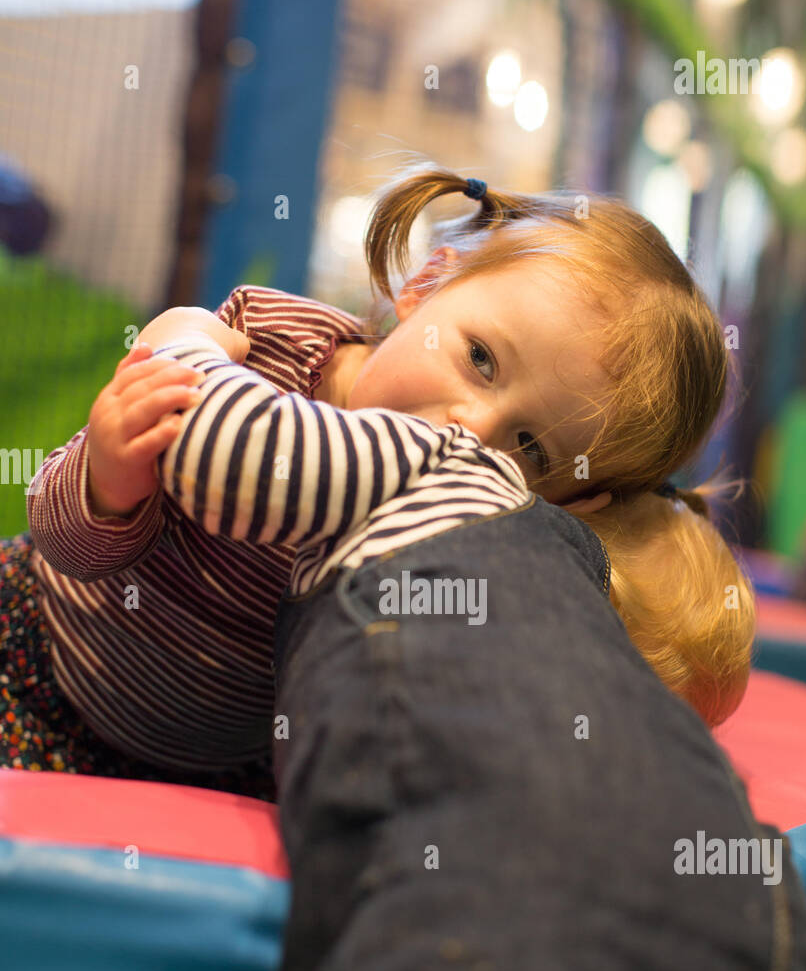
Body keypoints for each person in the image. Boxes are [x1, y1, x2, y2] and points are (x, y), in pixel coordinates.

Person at [134, 319, 806, 971]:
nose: (475, 424)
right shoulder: (574, 641)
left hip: (510, 966)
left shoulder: (450, 467)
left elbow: (219, 442)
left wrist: (184, 342)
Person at [7, 168, 751, 794]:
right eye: (482, 360)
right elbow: (62, 538)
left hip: (216, 769)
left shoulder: (454, 518)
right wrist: (108, 481)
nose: (469, 429)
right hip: (46, 664)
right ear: (426, 286)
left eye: (531, 446)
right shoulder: (263, 348)